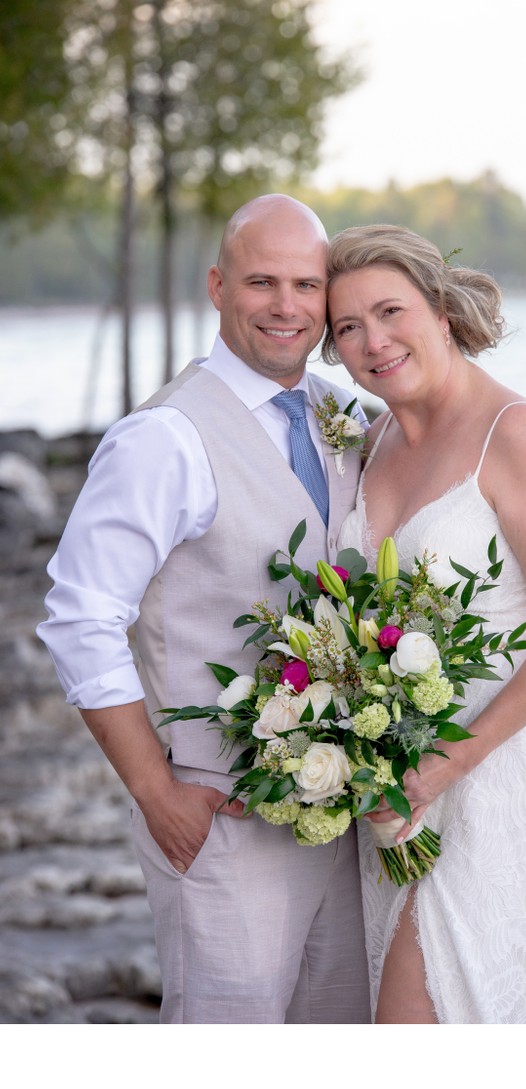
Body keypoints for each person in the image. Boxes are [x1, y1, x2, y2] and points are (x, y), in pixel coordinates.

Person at [37, 194, 371, 1025]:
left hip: (347, 814)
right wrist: (156, 790)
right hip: (219, 816)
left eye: (306, 283)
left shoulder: (348, 415)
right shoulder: (164, 438)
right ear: (219, 286)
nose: (287, 306)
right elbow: (80, 617)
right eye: (263, 281)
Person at [324, 223, 526, 1025]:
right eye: (347, 328)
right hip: (394, 792)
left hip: (492, 777)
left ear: (441, 310)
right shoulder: (372, 441)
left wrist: (442, 766)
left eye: (391, 310)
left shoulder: (521, 436)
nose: (374, 341)